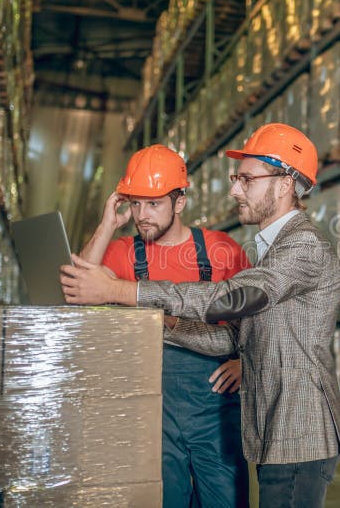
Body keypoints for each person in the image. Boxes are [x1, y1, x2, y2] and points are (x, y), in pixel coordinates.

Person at [62, 123, 340, 508]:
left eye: (246, 179)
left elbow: (232, 298)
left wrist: (119, 291)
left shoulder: (303, 247)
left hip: (298, 433)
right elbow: (232, 338)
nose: (234, 190)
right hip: (274, 431)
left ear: (283, 185)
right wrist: (160, 323)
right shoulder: (275, 249)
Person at [77, 144, 250, 508]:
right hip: (152, 409)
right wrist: (108, 223)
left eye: (153, 204)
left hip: (215, 409)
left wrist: (244, 364)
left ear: (180, 202)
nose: (142, 215)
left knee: (226, 500)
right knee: (163, 499)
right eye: (135, 203)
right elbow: (78, 292)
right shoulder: (124, 251)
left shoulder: (222, 250)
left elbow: (257, 319)